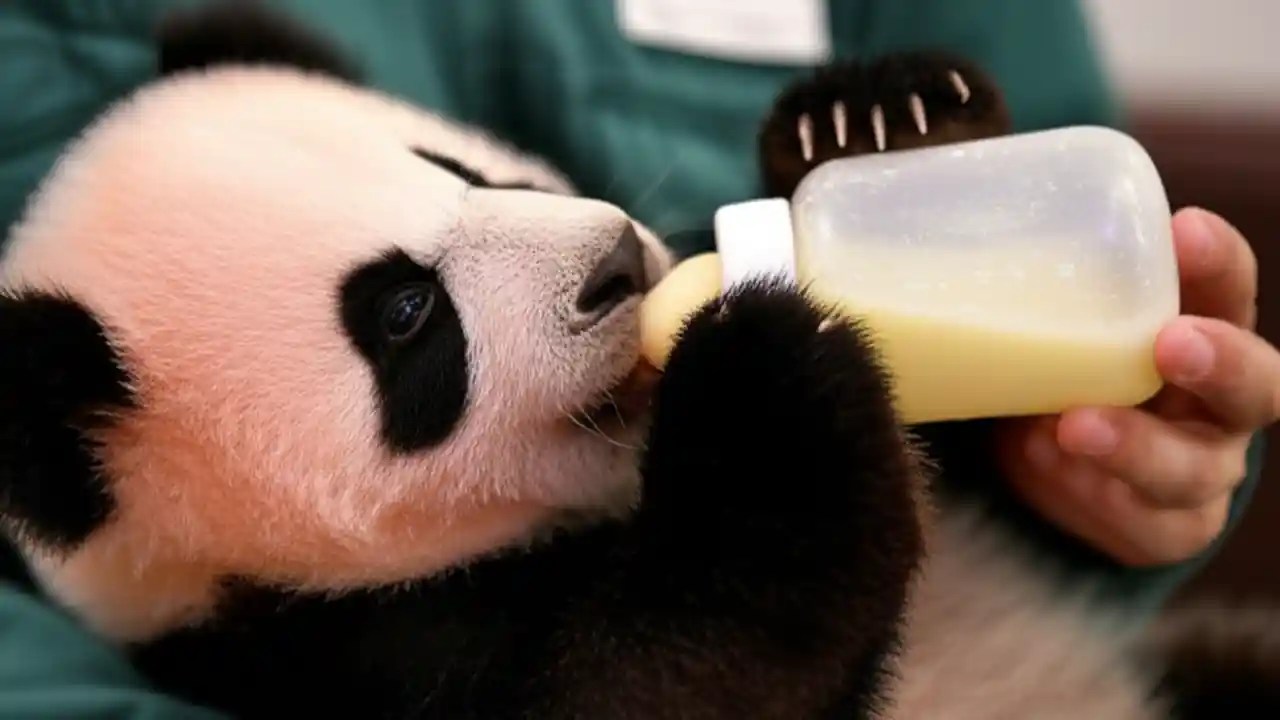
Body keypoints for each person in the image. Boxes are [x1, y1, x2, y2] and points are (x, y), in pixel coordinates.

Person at [0, 1, 1271, 716]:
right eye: (400, 316)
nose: (585, 240)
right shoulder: (368, 661)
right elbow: (722, 659)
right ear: (94, 451)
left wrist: (899, 222)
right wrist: (770, 492)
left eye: (465, 176)